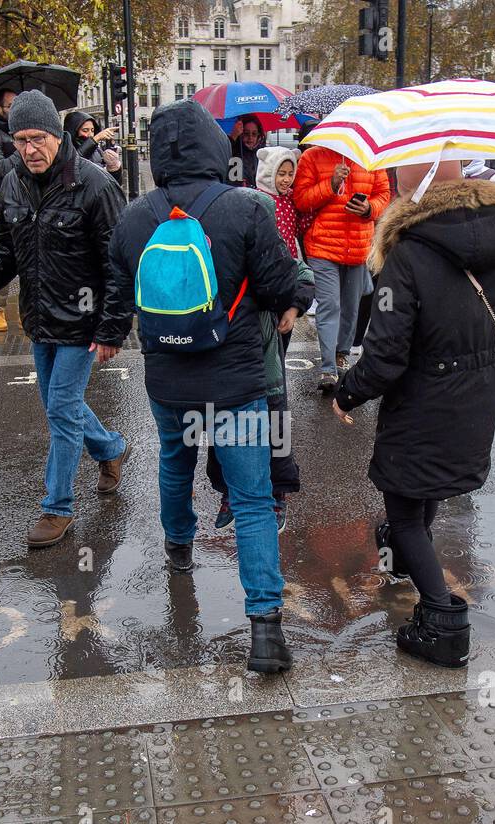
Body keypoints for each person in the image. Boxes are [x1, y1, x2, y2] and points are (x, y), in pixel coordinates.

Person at [106, 99, 303, 673]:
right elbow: (276, 285)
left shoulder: (135, 216)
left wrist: (108, 333)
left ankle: (178, 549)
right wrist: (298, 297)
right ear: (214, 149)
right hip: (236, 382)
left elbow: (118, 293)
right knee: (251, 497)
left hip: (168, 379)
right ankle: (265, 629)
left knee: (174, 464)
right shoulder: (246, 208)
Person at [332, 161, 495, 669]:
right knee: (426, 487)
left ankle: (443, 622)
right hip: (481, 387)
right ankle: (399, 556)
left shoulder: (410, 252)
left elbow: (386, 356)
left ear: (410, 187)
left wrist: (347, 393)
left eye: (397, 178)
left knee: (405, 505)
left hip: (425, 394)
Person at [0, 91, 132, 549]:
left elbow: (117, 264)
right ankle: (111, 449)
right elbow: (7, 252)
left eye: (37, 138)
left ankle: (58, 507)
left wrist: (113, 328)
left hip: (82, 322)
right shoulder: (13, 183)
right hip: (40, 317)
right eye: (19, 140)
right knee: (61, 404)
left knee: (61, 410)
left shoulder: (94, 184)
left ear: (57, 135)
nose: (28, 149)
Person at [205, 144, 314, 534]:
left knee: (275, 422)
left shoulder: (274, 242)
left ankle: (277, 495)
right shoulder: (215, 243)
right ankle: (229, 494)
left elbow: (302, 275)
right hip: (226, 355)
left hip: (265, 355)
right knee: (223, 426)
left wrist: (295, 307)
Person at [293, 142, 390, 394]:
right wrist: (331, 185)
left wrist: (369, 208)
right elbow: (301, 200)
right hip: (322, 246)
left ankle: (341, 353)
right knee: (330, 305)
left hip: (358, 247)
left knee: (351, 307)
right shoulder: (312, 157)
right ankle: (327, 368)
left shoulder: (371, 157)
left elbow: (383, 195)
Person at [63, 110, 122, 178]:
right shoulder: (66, 149)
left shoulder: (97, 150)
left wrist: (114, 168)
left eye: (92, 130)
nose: (90, 134)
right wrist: (96, 138)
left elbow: (113, 181)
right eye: (85, 130)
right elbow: (73, 163)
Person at [230, 115, 265, 188]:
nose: (250, 138)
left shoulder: (262, 154)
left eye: (254, 134)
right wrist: (233, 137)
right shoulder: (232, 149)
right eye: (246, 133)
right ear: (241, 133)